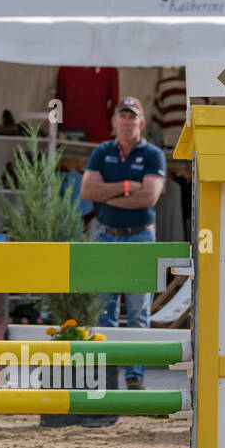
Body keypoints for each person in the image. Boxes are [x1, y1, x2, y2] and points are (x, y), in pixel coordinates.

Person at [80, 96, 166, 391]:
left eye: (133, 117)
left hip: (140, 235)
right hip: (106, 235)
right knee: (104, 310)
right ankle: (107, 377)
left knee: (138, 311)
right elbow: (87, 191)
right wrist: (128, 187)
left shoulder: (153, 154)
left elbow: (150, 197)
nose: (128, 122)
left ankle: (135, 377)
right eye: (123, 116)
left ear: (141, 122)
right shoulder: (102, 151)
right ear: (114, 121)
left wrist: (107, 195)